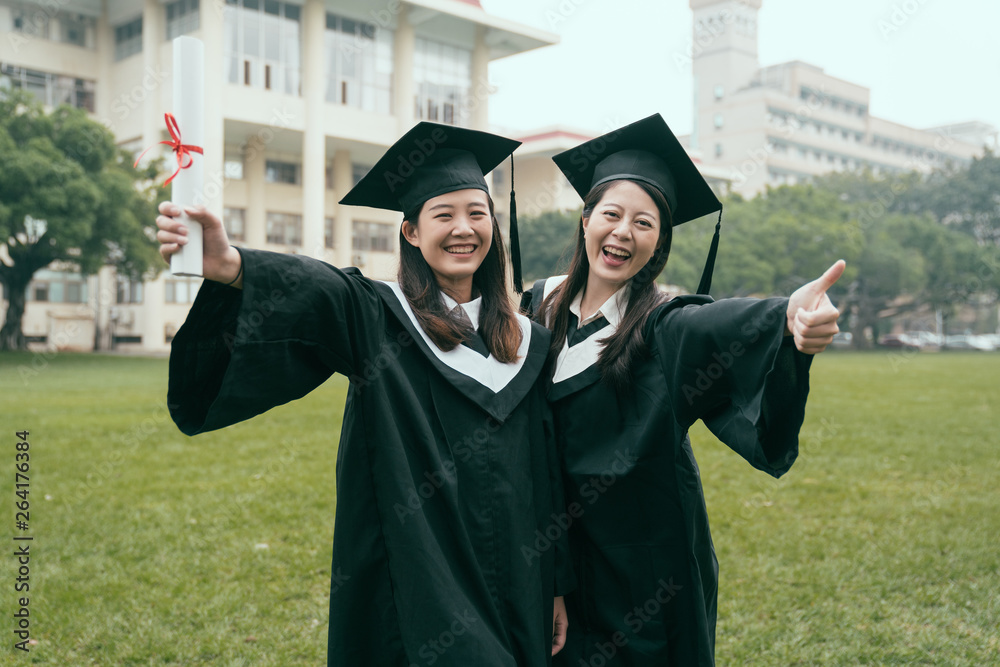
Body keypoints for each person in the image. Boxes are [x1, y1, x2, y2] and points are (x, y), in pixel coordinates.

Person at [156, 123, 572, 666]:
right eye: (442, 215)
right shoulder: (377, 317)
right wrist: (232, 266)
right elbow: (320, 291)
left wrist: (557, 578)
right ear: (412, 234)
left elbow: (547, 472)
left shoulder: (528, 344)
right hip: (422, 574)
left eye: (476, 213)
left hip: (520, 575)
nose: (463, 229)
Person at [521, 114, 844, 666]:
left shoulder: (663, 325)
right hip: (554, 555)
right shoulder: (536, 308)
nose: (624, 232)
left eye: (644, 224)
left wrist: (789, 318)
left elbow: (719, 326)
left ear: (659, 244)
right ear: (585, 219)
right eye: (612, 214)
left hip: (643, 568)